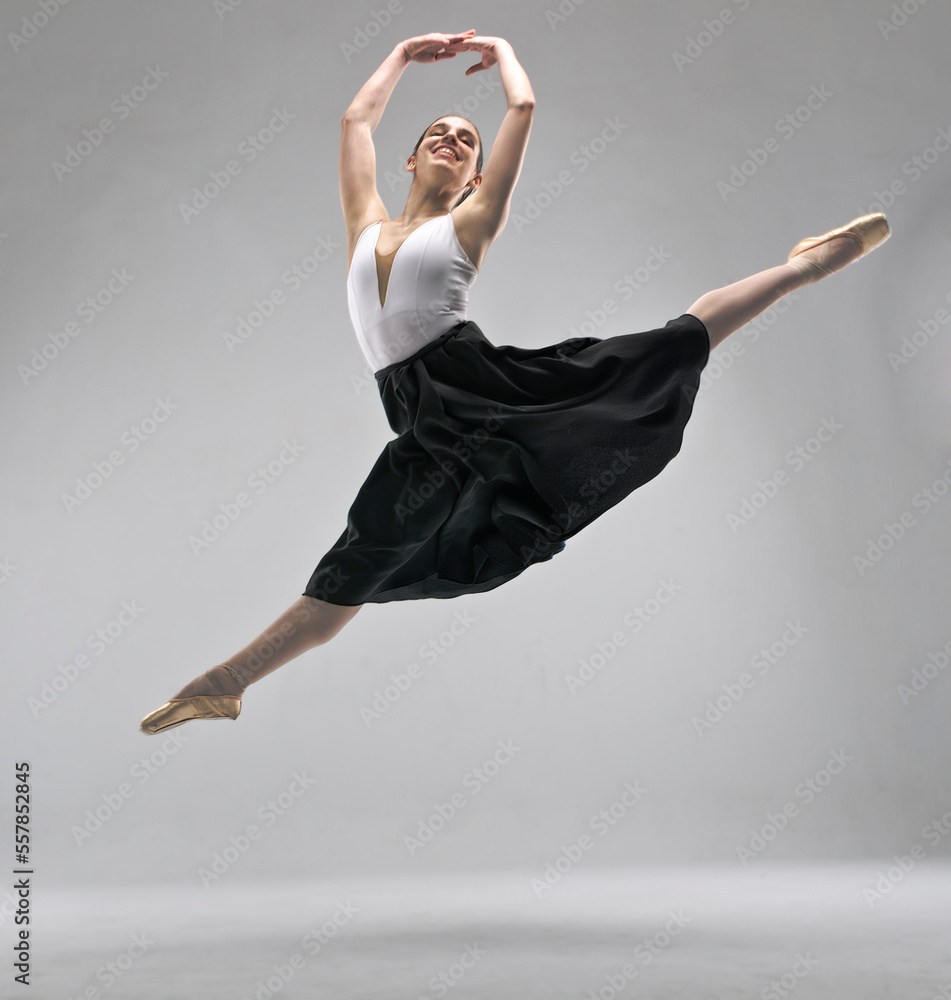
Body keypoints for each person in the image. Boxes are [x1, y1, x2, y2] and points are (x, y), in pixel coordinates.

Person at [139, 30, 890, 735]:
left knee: (663, 350)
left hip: (480, 386)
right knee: (361, 561)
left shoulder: (469, 222)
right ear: (411, 160)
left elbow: (522, 107)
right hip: (421, 414)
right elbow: (354, 124)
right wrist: (401, 54)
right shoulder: (364, 224)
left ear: (472, 178)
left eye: (467, 140)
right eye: (439, 132)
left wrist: (499, 51)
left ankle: (804, 266)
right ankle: (229, 683)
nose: (453, 139)